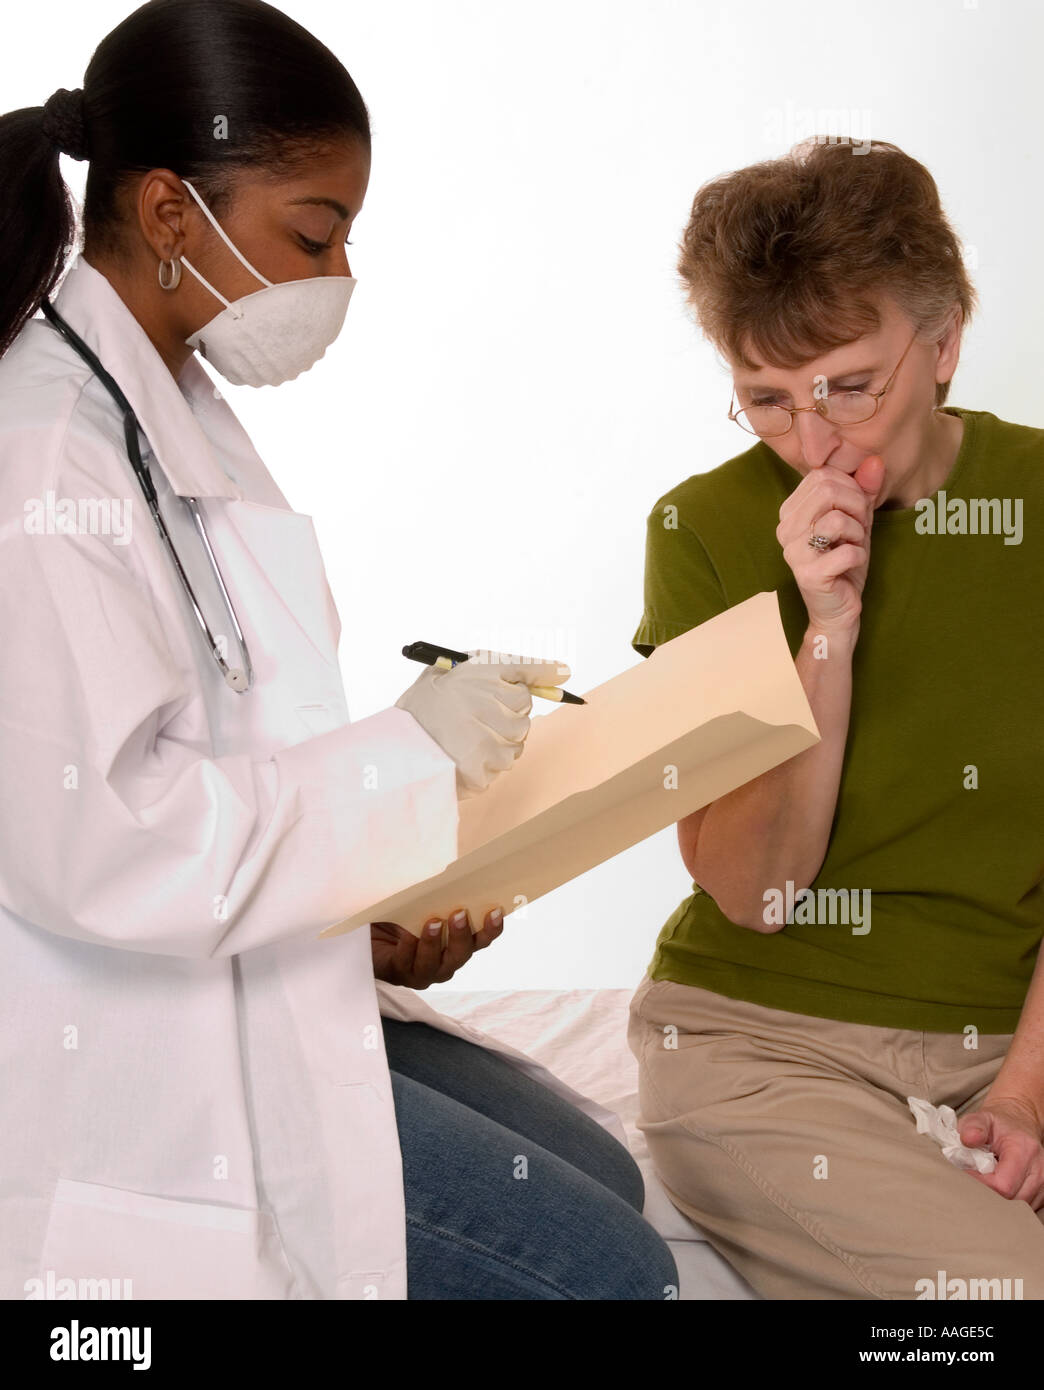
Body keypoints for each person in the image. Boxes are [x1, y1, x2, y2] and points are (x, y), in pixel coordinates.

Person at [0, 0, 677, 1300]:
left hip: (242, 962)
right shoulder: (52, 455)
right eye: (315, 234)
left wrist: (365, 913)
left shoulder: (168, 401)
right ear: (165, 212)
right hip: (141, 1044)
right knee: (614, 1274)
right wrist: (401, 758)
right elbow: (106, 847)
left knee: (606, 1171)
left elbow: (228, 745)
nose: (340, 277)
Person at [627, 136, 1044, 1300]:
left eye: (850, 387)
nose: (813, 445)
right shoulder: (702, 531)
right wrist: (827, 634)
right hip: (761, 1047)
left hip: (1011, 1043)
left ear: (947, 339)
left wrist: (1022, 1093)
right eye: (765, 401)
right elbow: (755, 893)